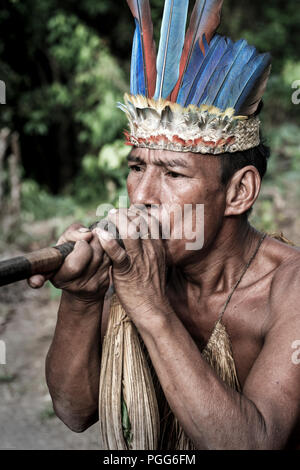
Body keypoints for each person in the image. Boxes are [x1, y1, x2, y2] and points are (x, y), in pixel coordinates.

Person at [28, 0, 300, 450]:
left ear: (239, 192)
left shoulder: (290, 288)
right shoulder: (138, 266)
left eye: (173, 174)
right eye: (137, 168)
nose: (143, 196)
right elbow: (75, 413)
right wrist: (81, 298)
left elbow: (254, 442)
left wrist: (151, 309)